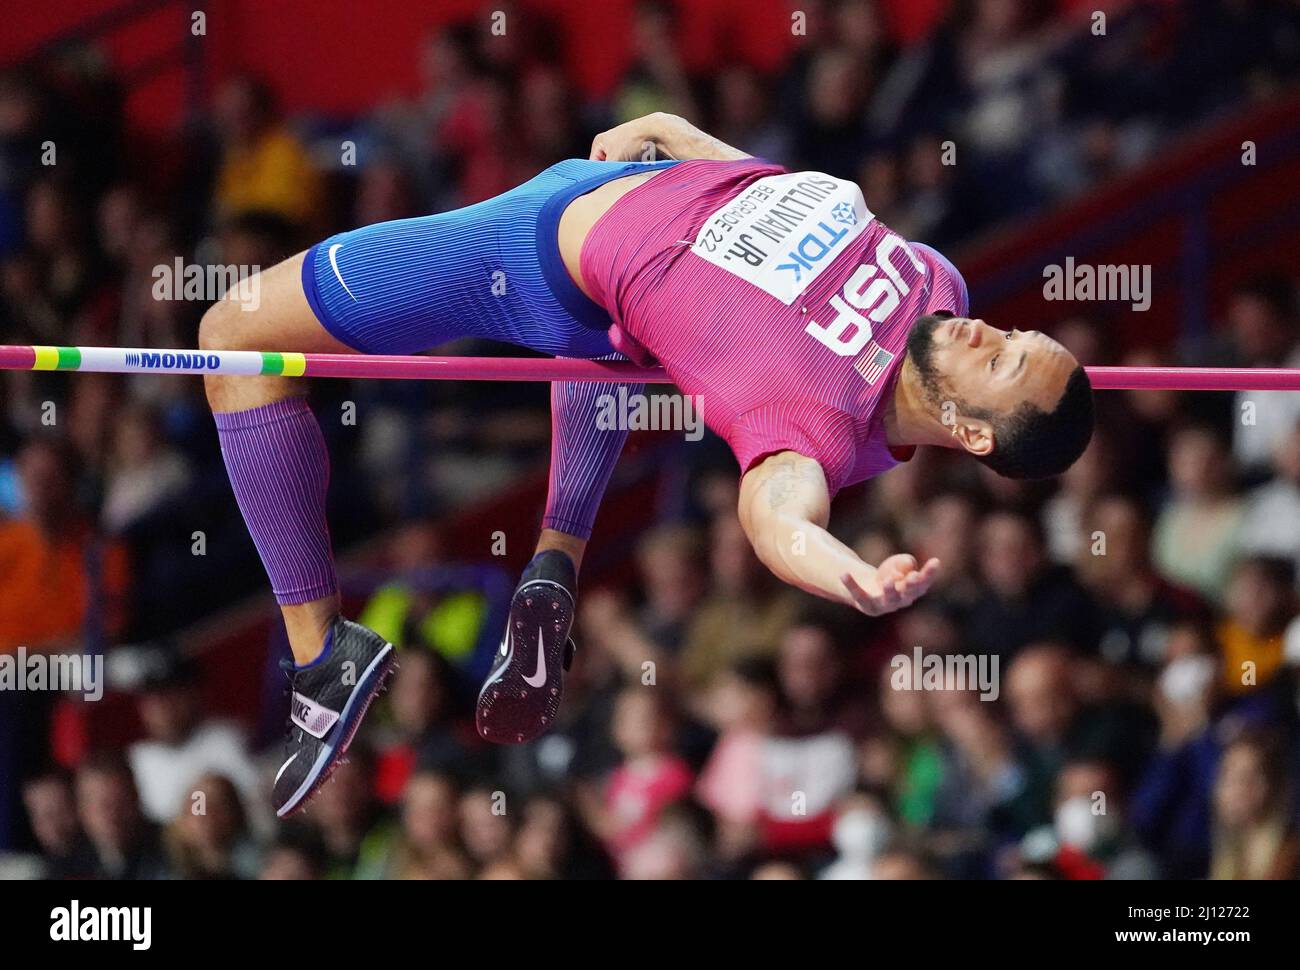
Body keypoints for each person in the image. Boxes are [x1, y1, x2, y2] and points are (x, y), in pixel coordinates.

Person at [198, 111, 1093, 816]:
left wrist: (851, 574)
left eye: (1006, 363)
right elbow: (777, 207)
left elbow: (778, 519)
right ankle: (554, 562)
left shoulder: (808, 421)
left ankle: (323, 653)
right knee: (637, 343)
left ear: (975, 434)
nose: (994, 333)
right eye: (1020, 335)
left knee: (232, 336)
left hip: (532, 248)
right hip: (646, 193)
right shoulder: (940, 284)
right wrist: (687, 140)